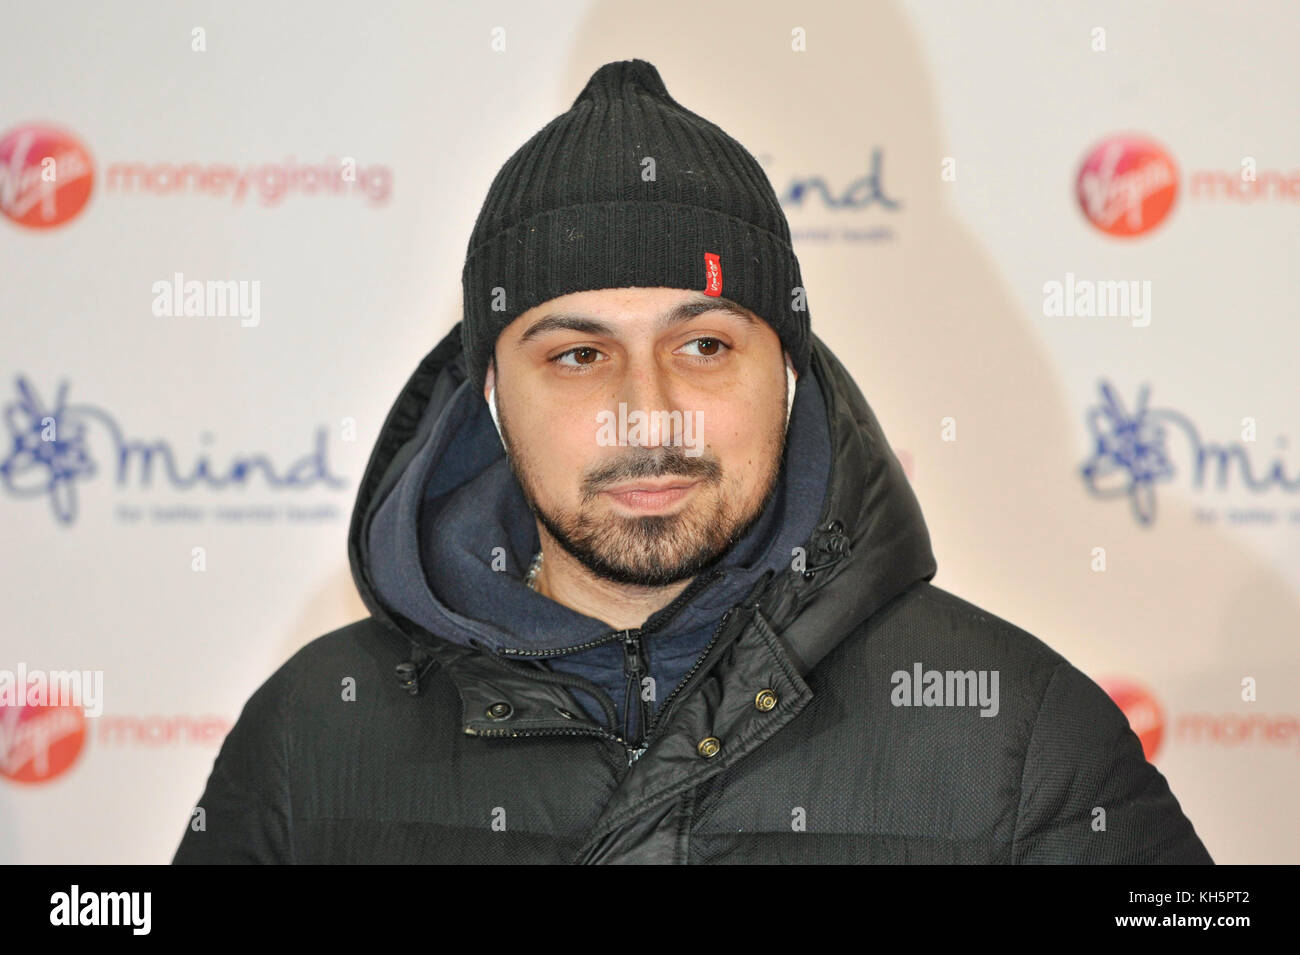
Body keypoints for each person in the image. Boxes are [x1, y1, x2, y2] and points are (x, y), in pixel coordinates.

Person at [172, 58, 1212, 864]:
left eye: (703, 345)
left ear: (789, 373)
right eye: (578, 356)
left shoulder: (1015, 733)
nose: (645, 414)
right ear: (490, 394)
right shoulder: (314, 738)